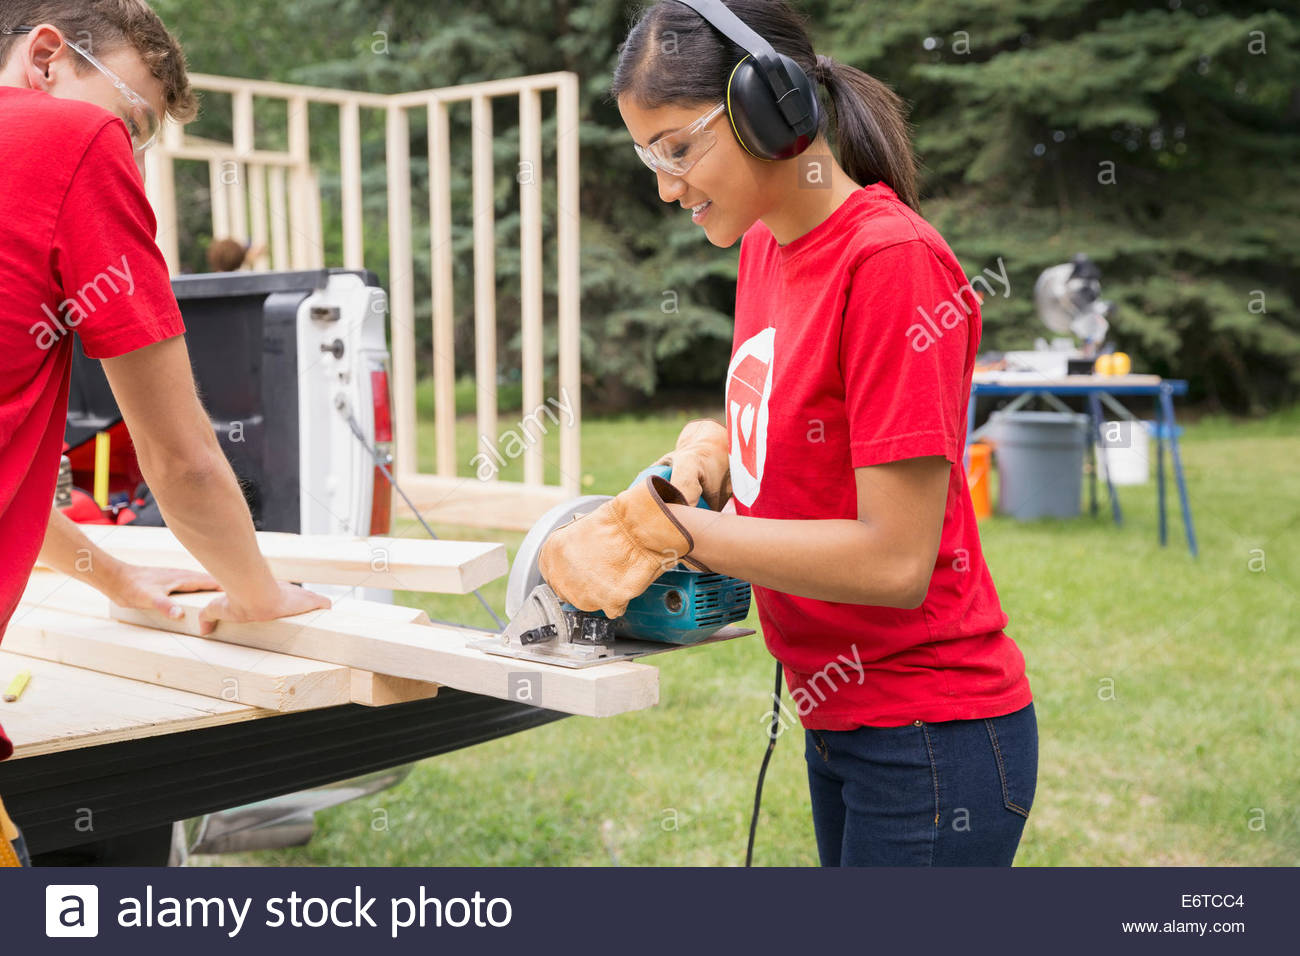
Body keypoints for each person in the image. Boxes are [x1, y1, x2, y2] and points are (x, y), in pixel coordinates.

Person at [540, 0, 1037, 866]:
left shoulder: (892, 266)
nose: (664, 186)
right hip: (842, 718)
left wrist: (678, 533)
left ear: (768, 106)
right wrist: (710, 452)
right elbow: (804, 437)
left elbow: (893, 561)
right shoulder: (769, 246)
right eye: (645, 156)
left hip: (928, 734)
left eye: (677, 149)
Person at [0, 0, 330, 851]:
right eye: (133, 121)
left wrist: (118, 581)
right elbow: (181, 458)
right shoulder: (68, 142)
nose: (131, 153)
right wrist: (260, 596)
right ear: (46, 58)